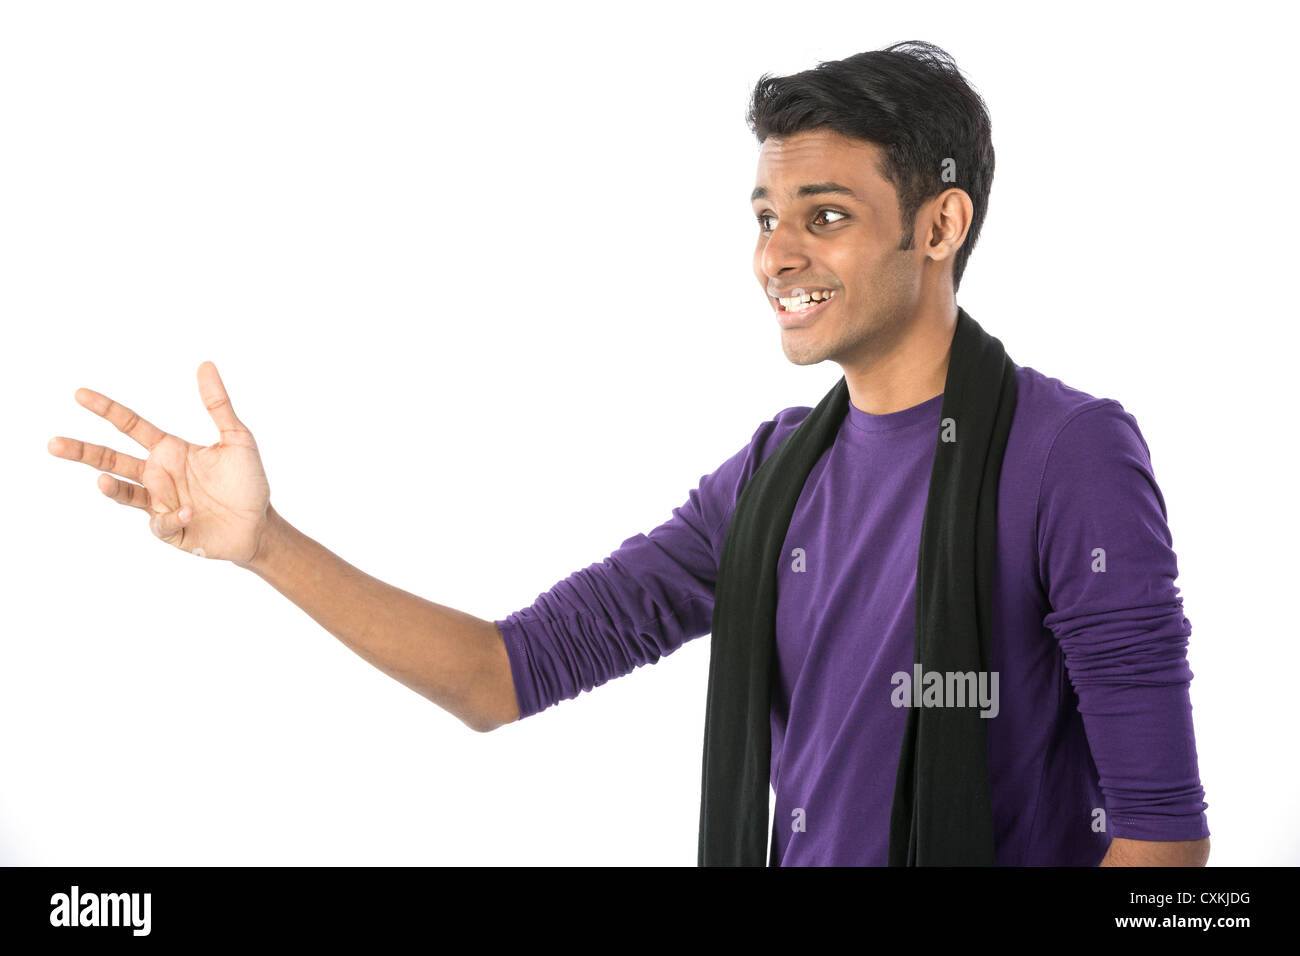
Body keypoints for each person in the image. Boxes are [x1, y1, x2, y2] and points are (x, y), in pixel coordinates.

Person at [47, 40, 1209, 866]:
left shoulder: (1069, 456)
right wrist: (265, 545)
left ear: (940, 225)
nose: (777, 254)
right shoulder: (766, 484)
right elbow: (498, 676)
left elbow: (1162, 838)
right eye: (764, 216)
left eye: (827, 214)